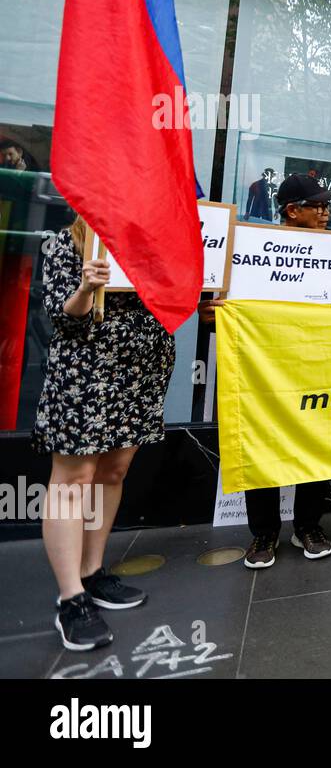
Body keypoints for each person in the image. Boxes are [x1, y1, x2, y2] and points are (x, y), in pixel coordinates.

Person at [205, 174, 331, 569]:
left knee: (312, 443)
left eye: (327, 206)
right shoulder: (248, 248)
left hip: (312, 364)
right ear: (292, 211)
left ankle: (308, 525)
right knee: (261, 445)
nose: (326, 213)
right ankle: (264, 532)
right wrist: (211, 313)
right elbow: (216, 310)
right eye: (318, 206)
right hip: (261, 368)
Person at [36, 216, 175, 650]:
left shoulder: (152, 239)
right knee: (73, 480)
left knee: (113, 472)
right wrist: (85, 288)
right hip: (86, 372)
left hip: (141, 371)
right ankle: (70, 598)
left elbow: (175, 293)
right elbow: (62, 318)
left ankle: (92, 572)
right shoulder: (66, 243)